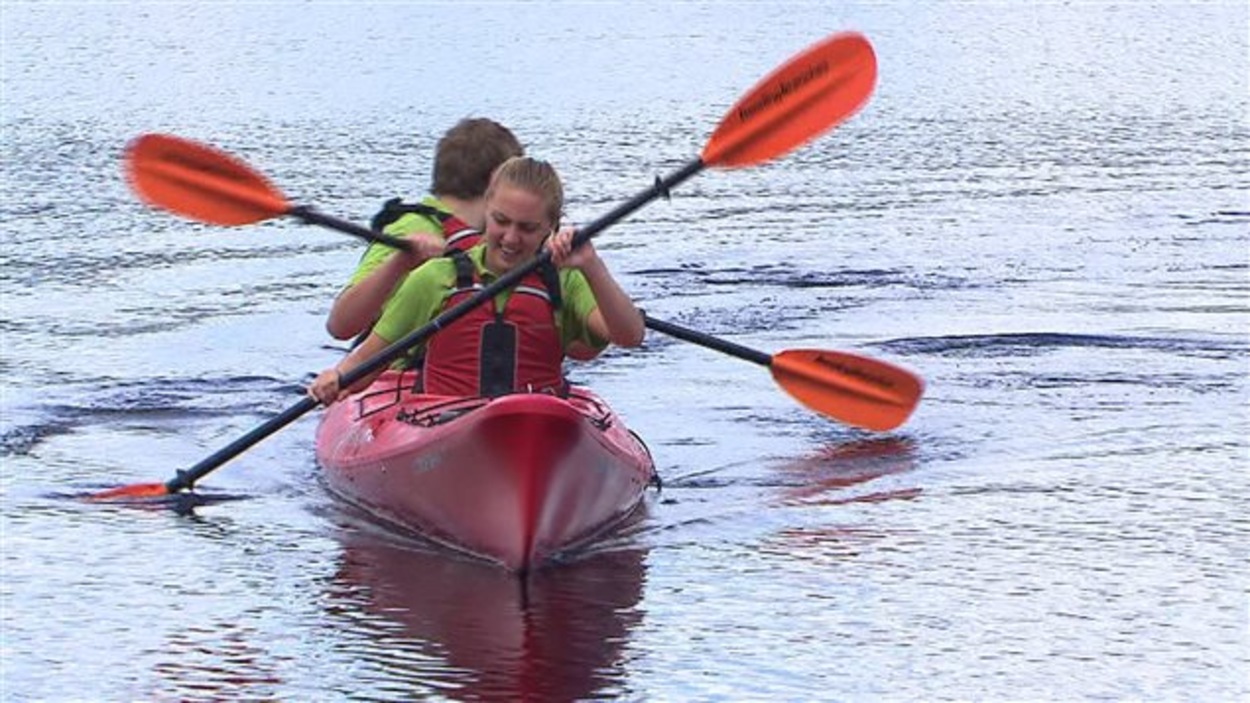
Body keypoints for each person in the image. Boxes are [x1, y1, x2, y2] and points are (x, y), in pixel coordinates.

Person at [309, 156, 644, 404]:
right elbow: (370, 357)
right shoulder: (437, 277)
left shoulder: (565, 279)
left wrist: (592, 265)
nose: (511, 238)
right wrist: (337, 378)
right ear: (486, 210)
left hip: (536, 424)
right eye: (501, 221)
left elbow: (629, 335)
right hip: (442, 420)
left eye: (527, 228)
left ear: (550, 226)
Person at [325, 117, 524, 342]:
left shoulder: (501, 240)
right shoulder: (411, 228)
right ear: (498, 181)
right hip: (406, 369)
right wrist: (400, 262)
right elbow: (340, 325)